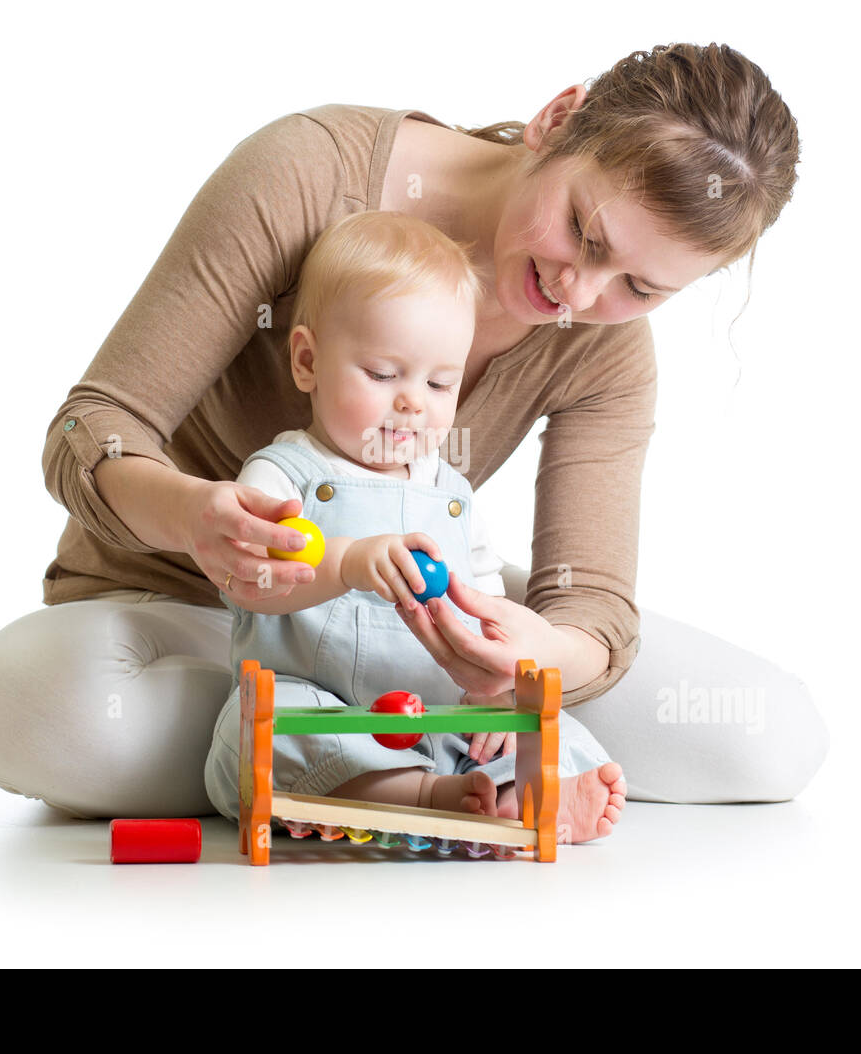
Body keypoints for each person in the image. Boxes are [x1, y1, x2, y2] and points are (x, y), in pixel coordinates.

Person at [0, 42, 830, 820]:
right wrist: (197, 516)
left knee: (769, 737)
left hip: (413, 631)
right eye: (581, 229)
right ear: (558, 119)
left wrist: (535, 651)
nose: (580, 291)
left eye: (639, 287)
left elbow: (592, 602)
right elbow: (93, 424)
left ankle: (374, 763)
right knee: (38, 704)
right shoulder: (306, 173)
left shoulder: (605, 348)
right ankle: (345, 752)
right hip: (183, 605)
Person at [202, 210, 626, 842]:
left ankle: (525, 792)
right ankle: (430, 797)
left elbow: (487, 609)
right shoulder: (281, 475)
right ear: (308, 361)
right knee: (261, 731)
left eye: (439, 382)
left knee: (536, 721)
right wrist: (345, 562)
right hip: (326, 711)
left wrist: (496, 691)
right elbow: (248, 579)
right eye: (382, 374)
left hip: (437, 709)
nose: (413, 402)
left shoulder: (449, 493)